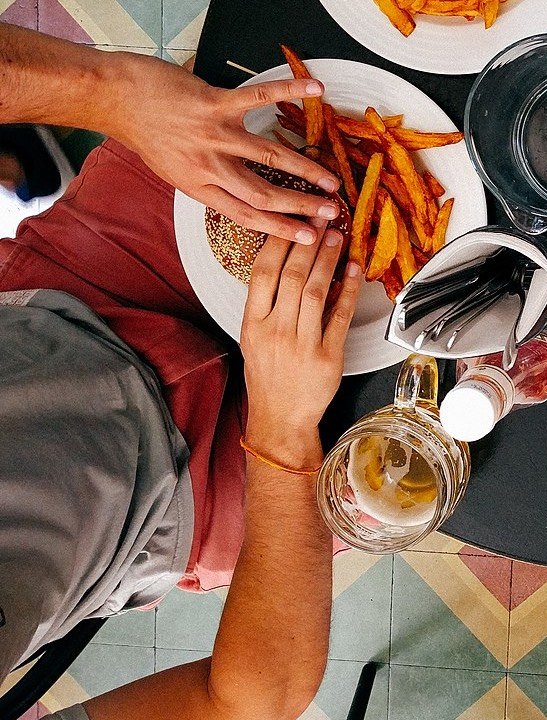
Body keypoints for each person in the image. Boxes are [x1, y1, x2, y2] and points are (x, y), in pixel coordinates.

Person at [0, 22, 356, 717]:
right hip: (189, 510)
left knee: (290, 64)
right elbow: (244, 702)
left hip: (65, 297)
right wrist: (283, 435)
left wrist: (109, 93)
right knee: (495, 378)